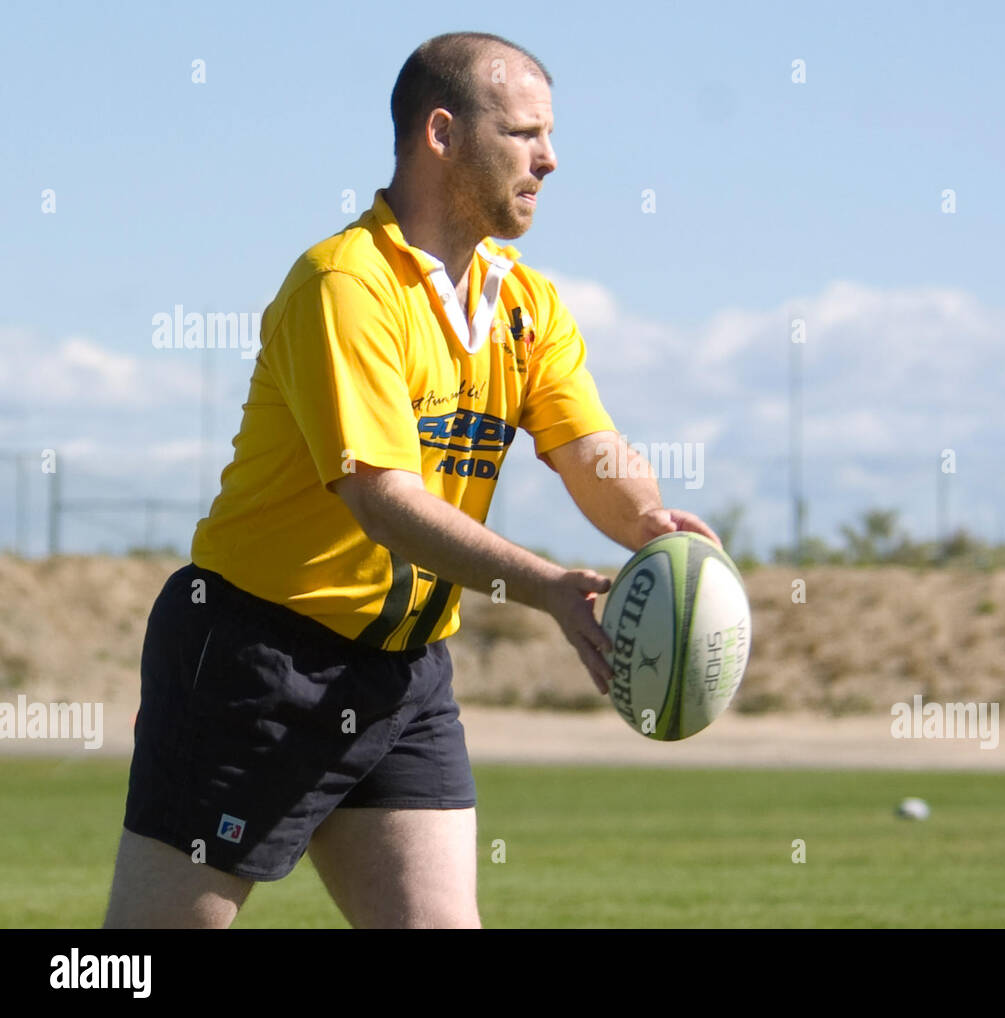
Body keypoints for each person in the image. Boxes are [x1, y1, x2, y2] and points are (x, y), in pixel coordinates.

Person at [104, 31, 718, 929]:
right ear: (441, 132)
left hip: (401, 678)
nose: (551, 159)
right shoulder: (343, 285)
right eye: (523, 133)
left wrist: (656, 529)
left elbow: (593, 450)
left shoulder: (527, 306)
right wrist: (548, 587)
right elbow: (382, 501)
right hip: (253, 665)